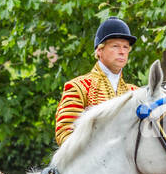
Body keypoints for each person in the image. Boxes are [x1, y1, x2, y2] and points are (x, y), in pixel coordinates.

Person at [54, 16, 136, 146]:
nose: (122, 52)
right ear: (99, 50)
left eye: (126, 47)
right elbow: (65, 135)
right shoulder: (78, 87)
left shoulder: (135, 92)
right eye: (115, 46)